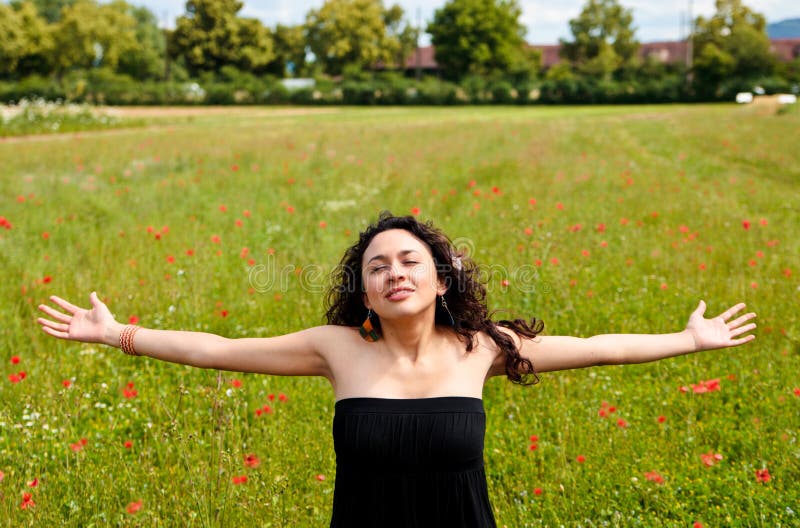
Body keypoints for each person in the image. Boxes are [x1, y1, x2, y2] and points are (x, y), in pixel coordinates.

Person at [37, 212, 756, 528]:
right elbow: (215, 348)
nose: (393, 272)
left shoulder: (483, 349)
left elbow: (602, 345)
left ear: (441, 280)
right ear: (366, 290)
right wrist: (119, 334)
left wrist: (688, 341)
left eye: (410, 260)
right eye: (377, 266)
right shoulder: (335, 348)